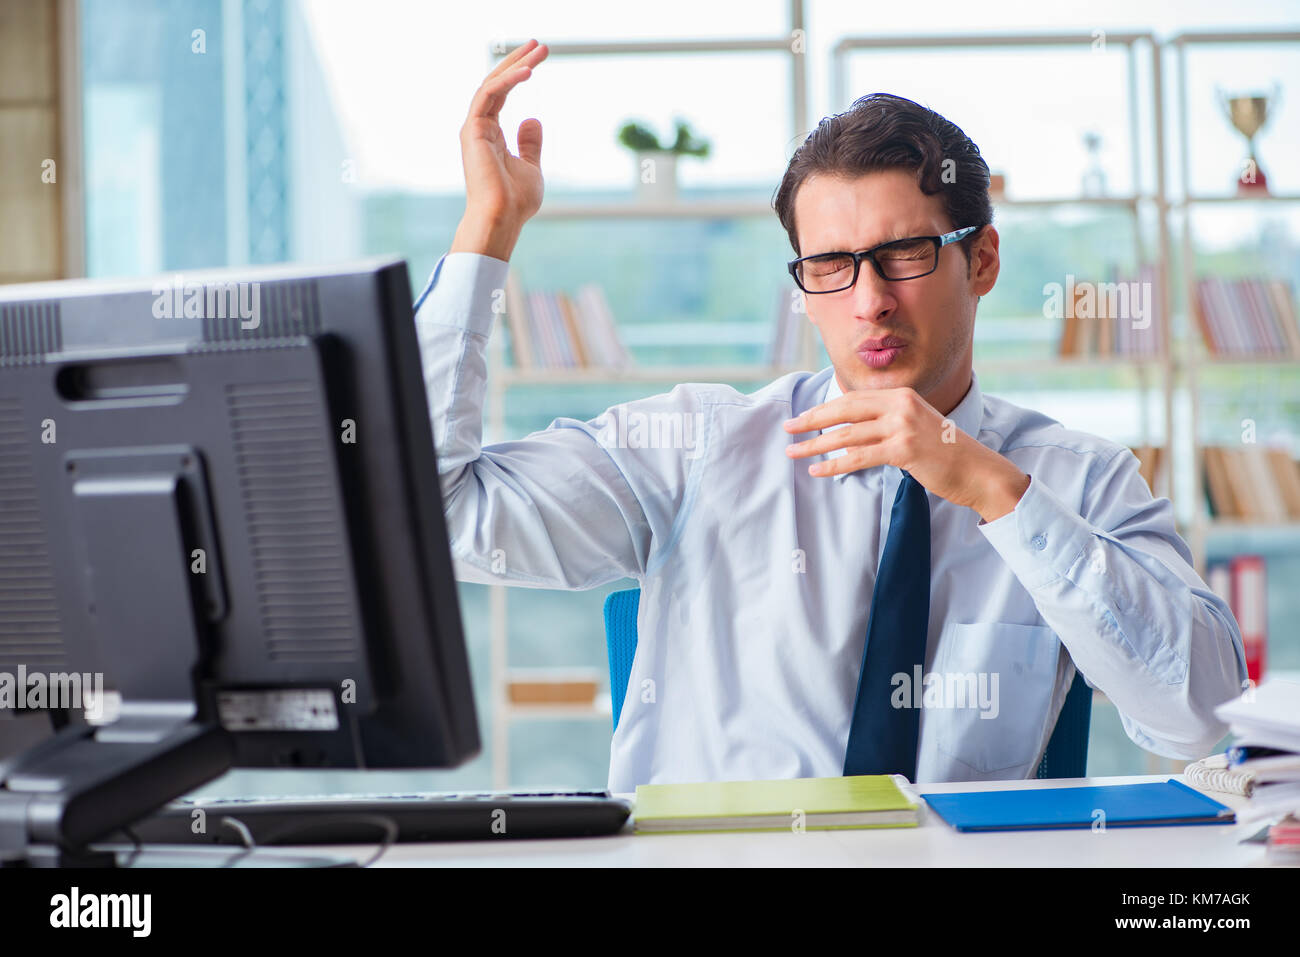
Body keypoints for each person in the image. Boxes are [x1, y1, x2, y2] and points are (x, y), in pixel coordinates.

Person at [415, 39, 1248, 791]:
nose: (870, 301)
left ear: (982, 260)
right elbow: (439, 510)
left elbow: (1202, 714)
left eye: (905, 254)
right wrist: (488, 229)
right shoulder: (696, 448)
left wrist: (998, 494)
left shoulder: (1074, 477)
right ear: (802, 285)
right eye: (832, 266)